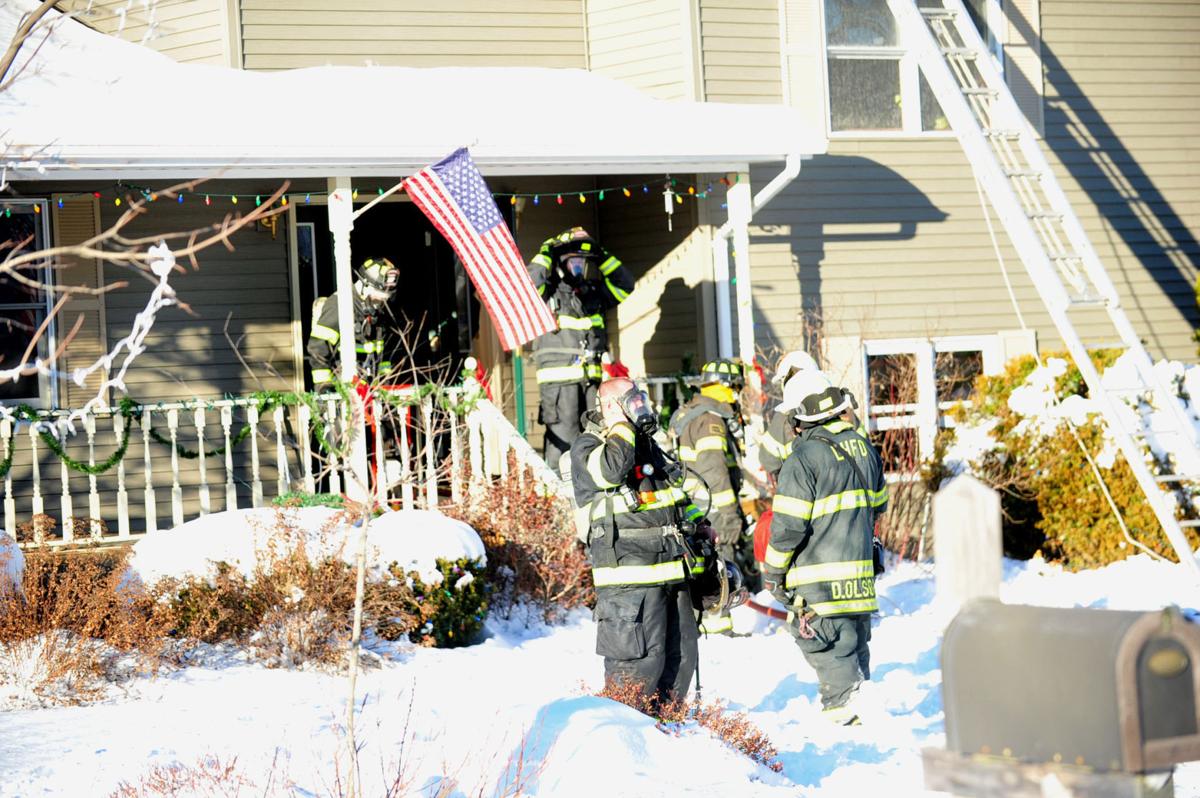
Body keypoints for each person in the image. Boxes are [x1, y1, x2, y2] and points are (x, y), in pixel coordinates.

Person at [570, 377, 711, 705]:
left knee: (681, 660)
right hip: (629, 585)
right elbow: (611, 470)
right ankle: (629, 742)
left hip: (671, 573)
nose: (640, 408)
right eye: (630, 402)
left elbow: (674, 492)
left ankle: (668, 733)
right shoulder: (588, 447)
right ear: (609, 407)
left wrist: (699, 523)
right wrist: (619, 426)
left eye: (640, 401)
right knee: (637, 671)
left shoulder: (644, 444)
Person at [760, 367, 888, 726]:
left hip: (820, 583)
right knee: (854, 649)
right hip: (860, 578)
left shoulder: (803, 459)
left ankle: (846, 728)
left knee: (830, 653)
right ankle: (862, 717)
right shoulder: (864, 446)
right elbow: (879, 503)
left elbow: (787, 527)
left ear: (802, 416)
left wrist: (773, 571)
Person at [529, 227, 635, 472]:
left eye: (582, 263)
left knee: (596, 437)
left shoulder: (593, 294)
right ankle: (558, 501)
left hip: (591, 382)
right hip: (559, 387)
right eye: (572, 263)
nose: (578, 268)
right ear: (559, 264)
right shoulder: (547, 293)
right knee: (563, 443)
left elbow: (625, 284)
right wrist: (548, 251)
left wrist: (601, 255)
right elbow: (531, 281)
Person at [670, 359, 753, 636]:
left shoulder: (693, 412)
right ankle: (718, 626)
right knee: (719, 562)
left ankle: (713, 621)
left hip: (696, 505)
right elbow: (714, 472)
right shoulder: (710, 420)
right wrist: (730, 513)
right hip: (711, 507)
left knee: (705, 564)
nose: (738, 394)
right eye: (736, 387)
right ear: (726, 386)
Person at [306, 257, 400, 388]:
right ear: (363, 285)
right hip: (342, 392)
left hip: (370, 393)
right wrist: (325, 387)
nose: (381, 303)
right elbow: (318, 348)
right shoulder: (339, 305)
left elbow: (384, 355)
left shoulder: (377, 313)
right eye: (378, 297)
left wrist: (385, 384)